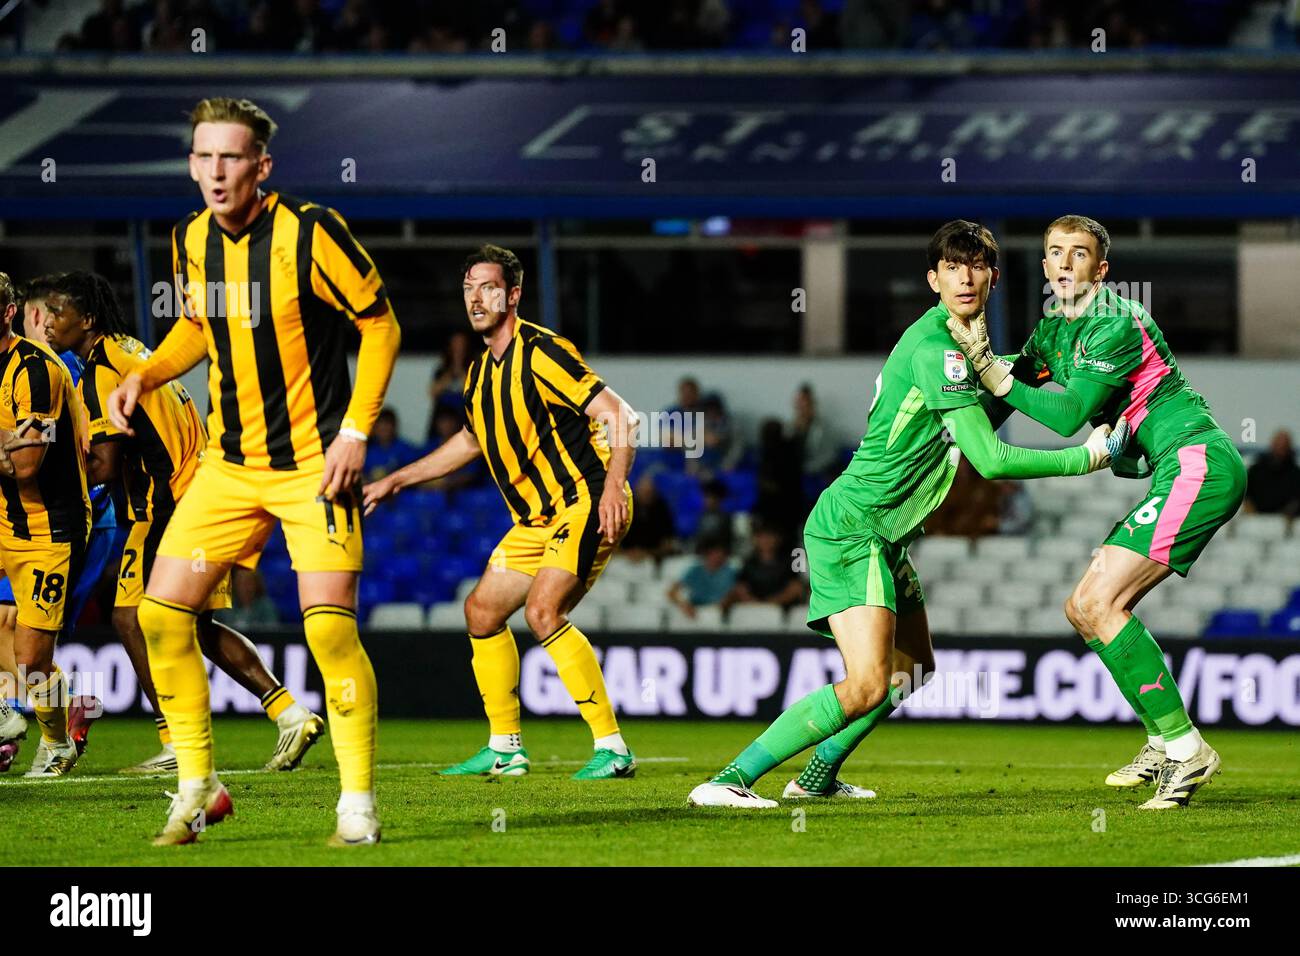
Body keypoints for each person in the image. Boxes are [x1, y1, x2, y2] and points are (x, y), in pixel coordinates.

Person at [688, 220, 1128, 808]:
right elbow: (990, 461)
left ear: (992, 276)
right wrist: (1087, 456)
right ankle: (728, 781)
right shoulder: (937, 351)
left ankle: (816, 776)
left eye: (975, 265)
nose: (964, 277)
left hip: (886, 536)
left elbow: (986, 412)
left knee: (911, 671)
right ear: (933, 279)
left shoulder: (968, 347)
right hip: (855, 526)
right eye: (951, 266)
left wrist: (1043, 365)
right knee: (869, 682)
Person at [106, 97, 400, 846]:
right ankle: (199, 787)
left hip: (313, 466)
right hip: (229, 466)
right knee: (161, 614)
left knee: (330, 634)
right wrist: (147, 372)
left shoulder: (311, 232)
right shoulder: (191, 238)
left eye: (230, 157)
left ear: (261, 166)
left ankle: (357, 805)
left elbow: (380, 321)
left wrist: (358, 429)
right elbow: (198, 326)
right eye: (202, 156)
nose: (214, 171)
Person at [950, 214, 1245, 810]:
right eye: (1054, 252)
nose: (1064, 263)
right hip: (1175, 468)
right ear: (1043, 265)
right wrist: (947, 421)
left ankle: (1188, 752)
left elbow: (1061, 417)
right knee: (1083, 609)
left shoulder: (1113, 322)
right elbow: (1006, 397)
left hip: (1198, 463)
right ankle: (1164, 740)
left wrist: (990, 373)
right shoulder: (1054, 330)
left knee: (1096, 603)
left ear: (1100, 269)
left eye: (1078, 254)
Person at [364, 244, 637, 781]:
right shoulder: (477, 375)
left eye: (488, 287)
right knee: (481, 613)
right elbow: (468, 442)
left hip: (583, 501)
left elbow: (619, 415)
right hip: (535, 521)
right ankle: (506, 748)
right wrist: (398, 478)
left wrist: (614, 486)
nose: (476, 298)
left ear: (513, 295)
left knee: (542, 613)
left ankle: (614, 747)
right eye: (469, 288)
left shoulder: (543, 351)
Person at [43, 270, 322, 776]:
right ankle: (289, 712)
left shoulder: (104, 368)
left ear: (85, 319)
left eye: (56, 314)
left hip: (168, 504)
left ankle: (178, 740)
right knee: (193, 624)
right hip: (194, 490)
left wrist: (43, 467)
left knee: (132, 619)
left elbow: (103, 464)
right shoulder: (128, 348)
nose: (46, 324)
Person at [0, 272, 92, 778]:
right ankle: (4, 710)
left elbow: (27, 465)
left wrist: (11, 445)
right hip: (2, 518)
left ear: (9, 312)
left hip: (48, 529)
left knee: (33, 659)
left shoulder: (35, 370)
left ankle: (56, 739)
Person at [721, 523, 806, 613]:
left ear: (777, 539)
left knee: (797, 587)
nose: (765, 541)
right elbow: (740, 587)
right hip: (753, 606)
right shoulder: (748, 563)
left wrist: (770, 603)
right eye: (761, 537)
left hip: (781, 609)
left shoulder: (790, 561)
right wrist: (755, 603)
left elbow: (796, 587)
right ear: (755, 539)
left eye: (769, 537)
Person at [668, 537, 736, 618]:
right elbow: (671, 592)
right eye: (716, 552)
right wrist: (683, 604)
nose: (720, 555)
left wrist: (726, 602)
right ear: (707, 553)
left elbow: (735, 592)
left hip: (720, 613)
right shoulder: (695, 571)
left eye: (722, 552)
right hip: (696, 612)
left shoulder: (730, 572)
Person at [619, 473, 677, 562]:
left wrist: (647, 553)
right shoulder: (626, 506)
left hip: (653, 558)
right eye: (643, 492)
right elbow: (614, 536)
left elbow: (668, 541)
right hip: (625, 557)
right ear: (637, 491)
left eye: (649, 492)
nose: (646, 495)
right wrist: (627, 552)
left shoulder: (661, 509)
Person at [426, 329, 471, 442]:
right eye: (455, 344)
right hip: (443, 418)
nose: (458, 348)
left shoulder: (473, 368)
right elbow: (433, 392)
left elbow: (472, 392)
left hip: (464, 418)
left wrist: (460, 370)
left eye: (461, 344)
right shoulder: (442, 370)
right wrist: (451, 371)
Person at [1244, 429, 1300, 517]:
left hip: (1286, 521)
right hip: (1255, 519)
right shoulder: (1256, 470)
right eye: (1278, 444)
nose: (1281, 448)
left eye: (1284, 445)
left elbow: (1296, 499)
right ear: (1272, 444)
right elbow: (1246, 494)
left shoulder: (1296, 473)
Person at [362, 407, 419, 481]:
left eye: (387, 424)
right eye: (379, 425)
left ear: (394, 426)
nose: (383, 429)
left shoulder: (405, 449)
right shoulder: (367, 450)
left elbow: (415, 472)